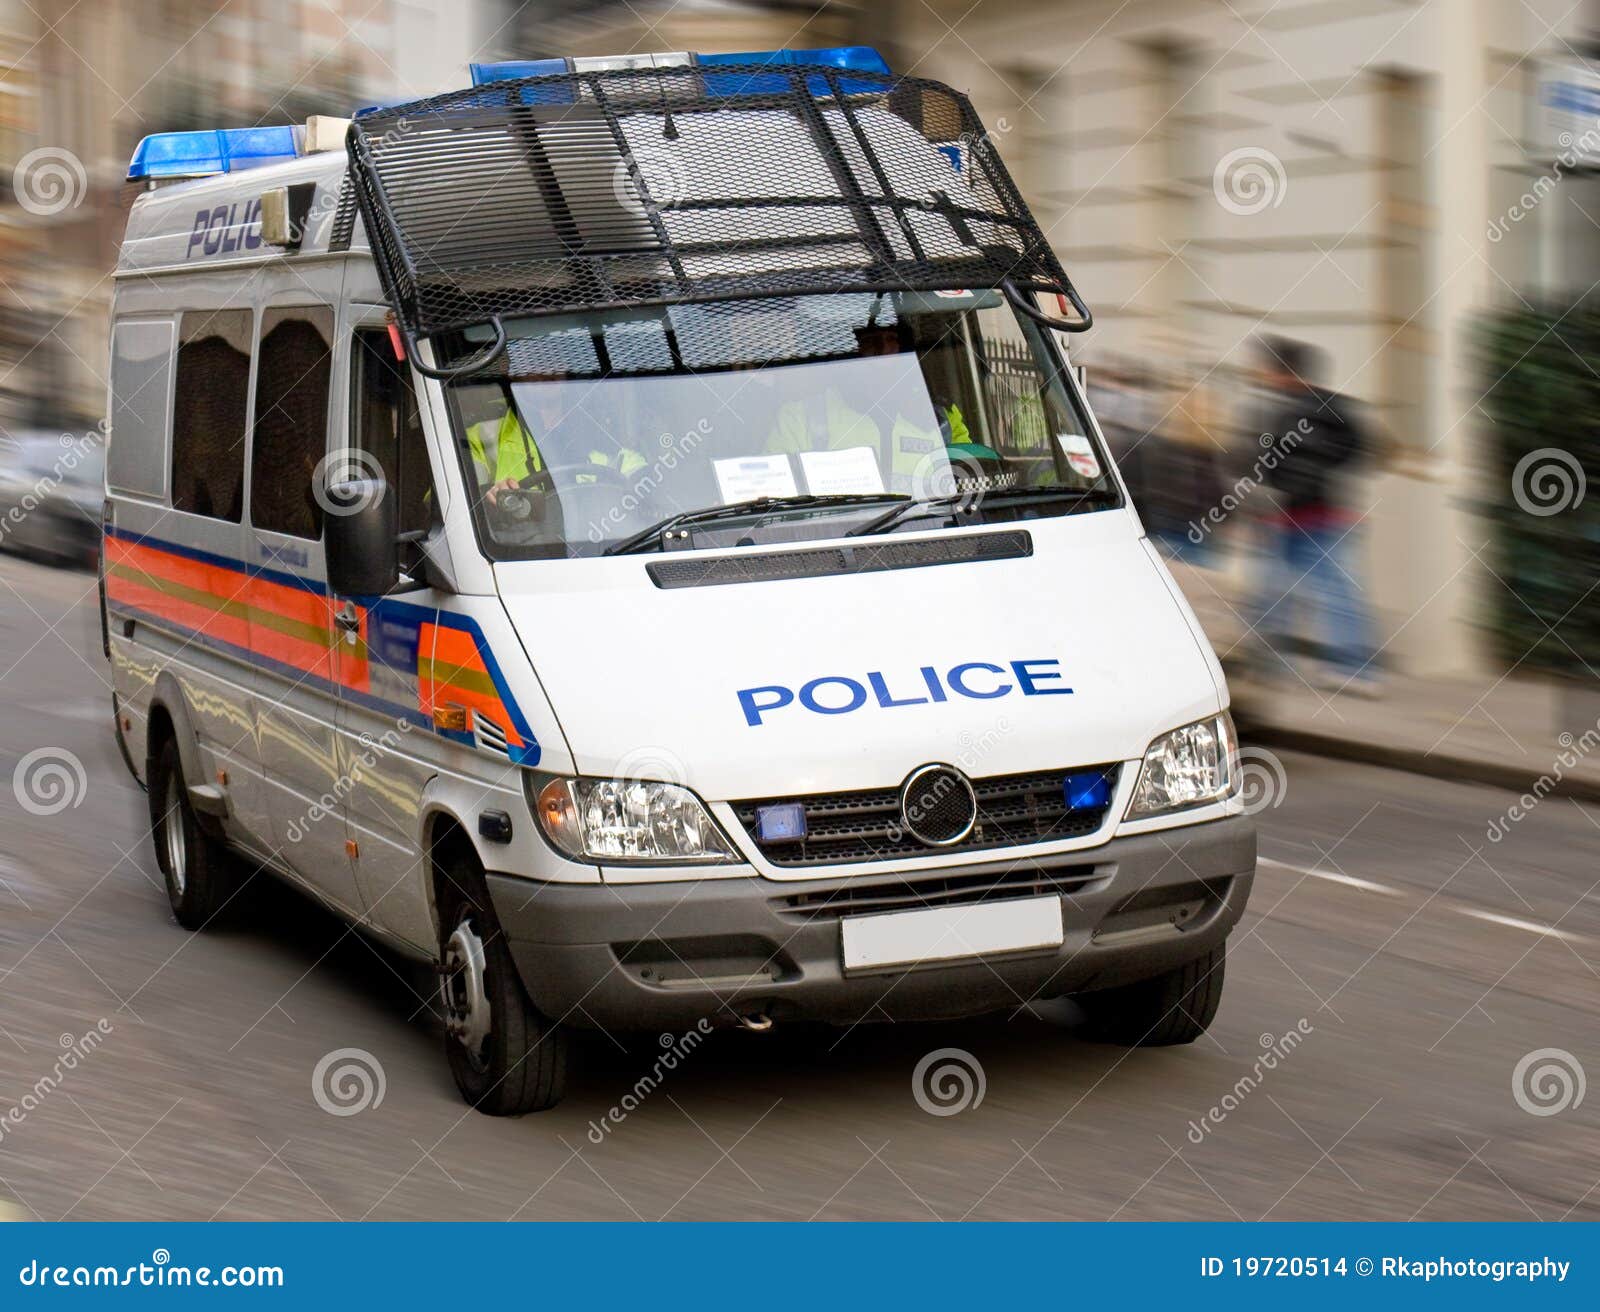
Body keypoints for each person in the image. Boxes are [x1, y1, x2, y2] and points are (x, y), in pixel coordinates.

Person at [1246, 335, 1380, 695]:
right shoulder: (1297, 405)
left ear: (1283, 372)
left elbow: (1358, 449)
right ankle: (1274, 665)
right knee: (1272, 592)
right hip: (1293, 515)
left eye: (1267, 370)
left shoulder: (1314, 407)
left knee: (1331, 591)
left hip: (1317, 515)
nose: (1262, 376)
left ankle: (1354, 669)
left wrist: (1310, 477)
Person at [766, 322, 988, 492]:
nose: (882, 350)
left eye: (891, 339)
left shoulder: (941, 417)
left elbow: (969, 478)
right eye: (871, 341)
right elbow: (772, 491)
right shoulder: (800, 416)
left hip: (934, 534)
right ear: (851, 352)